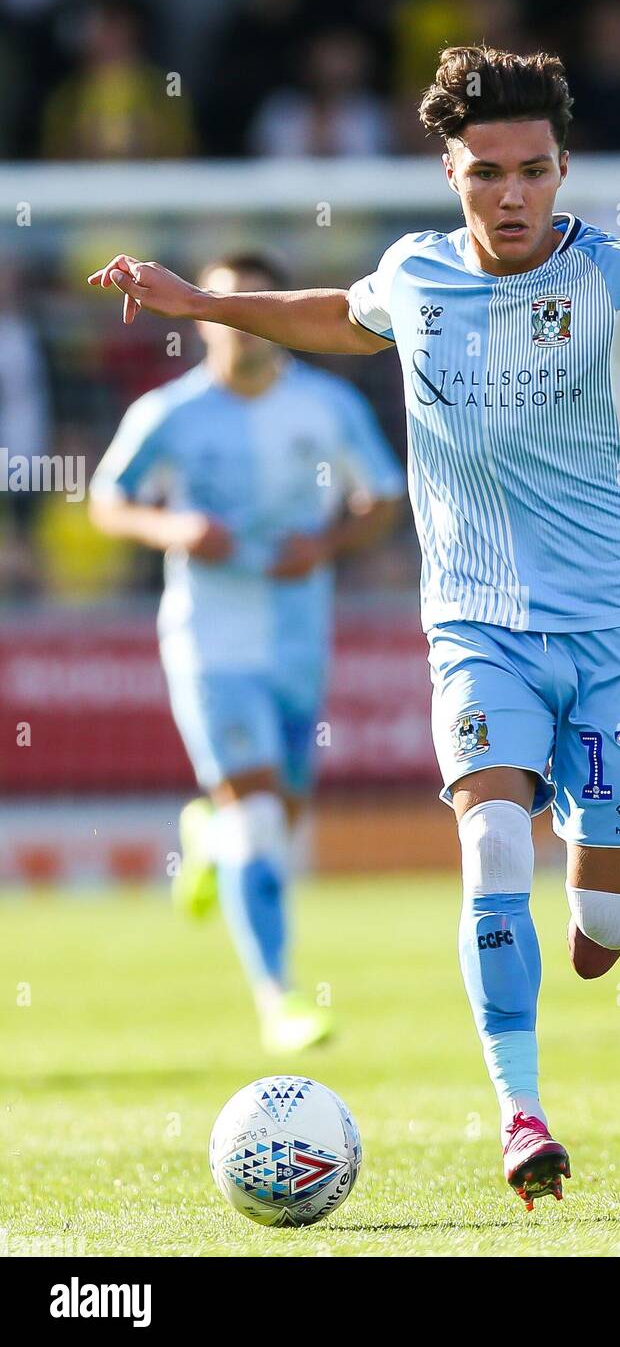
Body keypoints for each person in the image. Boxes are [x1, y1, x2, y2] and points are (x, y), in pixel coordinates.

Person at [88, 46, 620, 1209]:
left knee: (608, 914)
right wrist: (202, 301)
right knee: (492, 844)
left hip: (619, 633)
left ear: (562, 169)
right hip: (476, 629)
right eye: (482, 173)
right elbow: (337, 315)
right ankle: (519, 1111)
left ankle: (599, 904)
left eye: (529, 170)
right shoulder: (414, 276)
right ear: (449, 172)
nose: (508, 194)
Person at [88, 252, 403, 1055]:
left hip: (298, 638)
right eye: (214, 307)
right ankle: (279, 998)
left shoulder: (326, 406)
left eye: (244, 306)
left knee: (274, 816)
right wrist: (174, 529)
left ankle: (207, 835)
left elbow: (383, 497)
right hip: (209, 637)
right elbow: (108, 501)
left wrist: (326, 544)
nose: (231, 324)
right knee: (262, 818)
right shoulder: (172, 412)